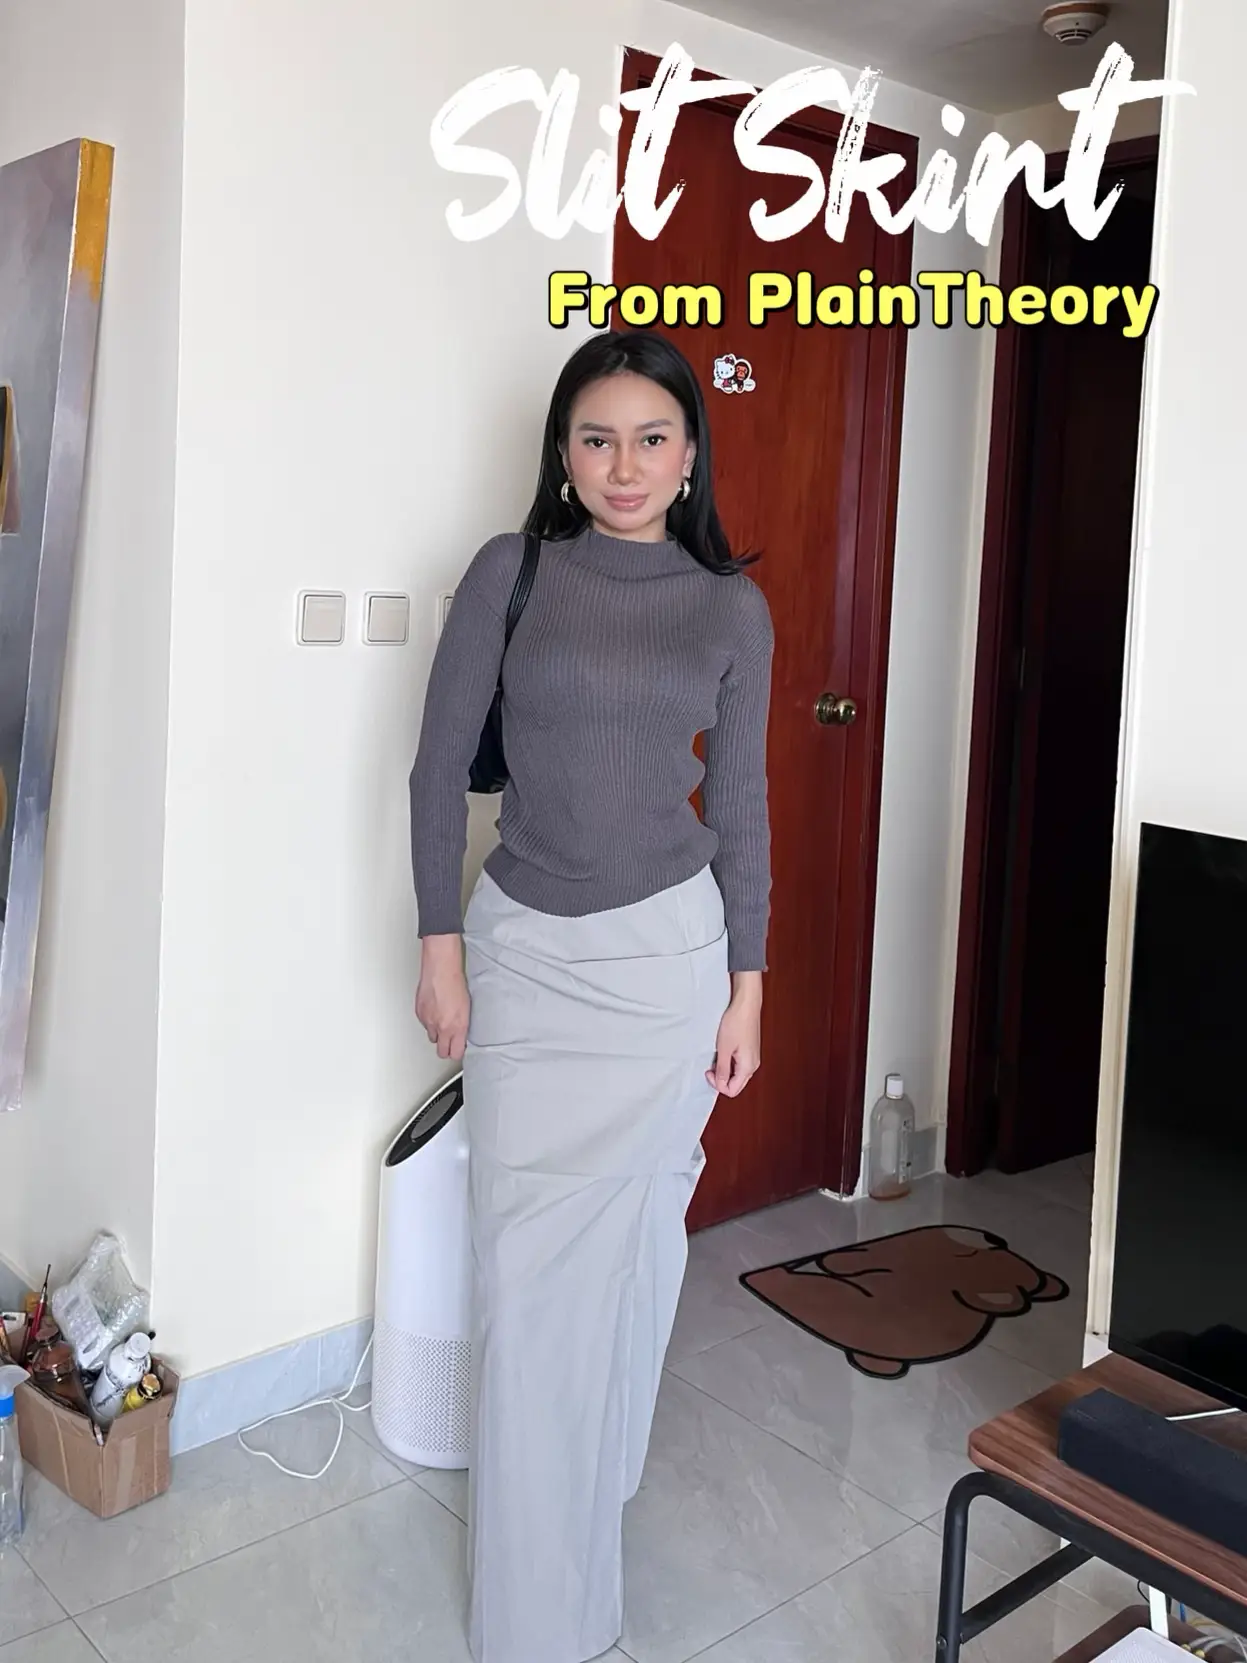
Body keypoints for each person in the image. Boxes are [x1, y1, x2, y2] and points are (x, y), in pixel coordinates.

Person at [408, 328, 774, 1663]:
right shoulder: (511, 572)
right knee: (528, 1287)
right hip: (527, 955)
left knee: (633, 1259)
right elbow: (435, 769)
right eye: (597, 438)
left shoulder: (728, 606)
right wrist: (440, 944)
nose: (625, 465)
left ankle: (588, 1510)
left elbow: (741, 803)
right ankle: (536, 1615)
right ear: (563, 454)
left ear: (689, 456)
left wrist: (747, 985)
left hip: (669, 964)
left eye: (651, 439)